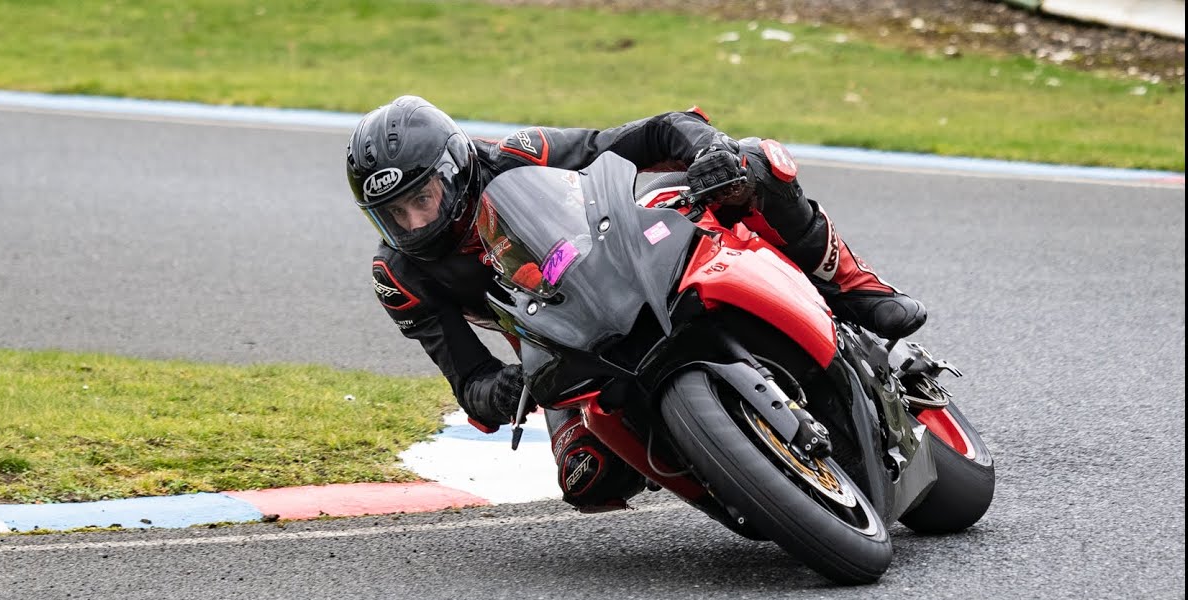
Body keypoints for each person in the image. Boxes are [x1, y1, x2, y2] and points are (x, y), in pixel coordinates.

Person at [348, 95, 926, 513]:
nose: (415, 222)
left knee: (755, 164)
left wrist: (709, 150)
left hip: (621, 258)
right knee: (588, 481)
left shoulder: (514, 153)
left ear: (453, 168)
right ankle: (726, 466)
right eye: (394, 214)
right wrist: (495, 390)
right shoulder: (398, 274)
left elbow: (645, 136)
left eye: (422, 198)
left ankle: (858, 287)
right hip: (553, 344)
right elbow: (465, 375)